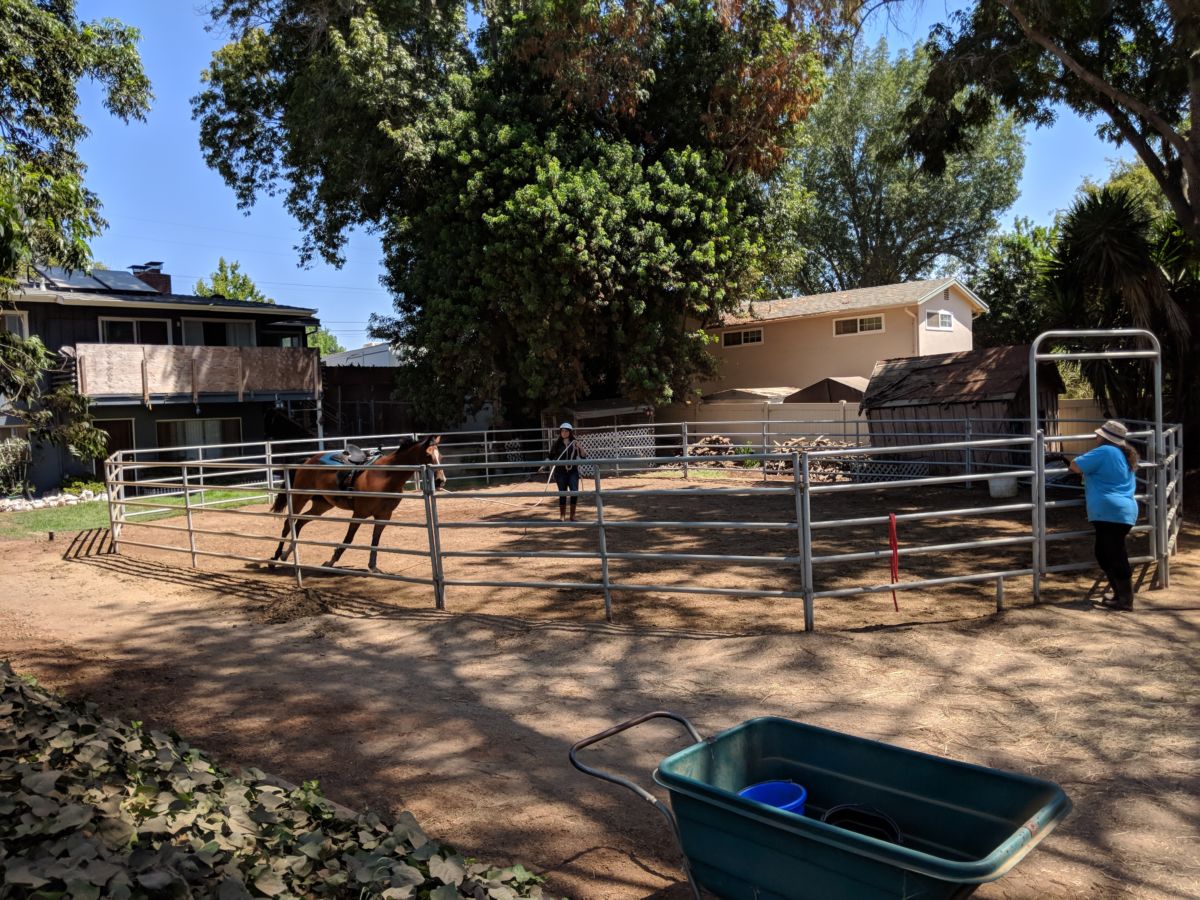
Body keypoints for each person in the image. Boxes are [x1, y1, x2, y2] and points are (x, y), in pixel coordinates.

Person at [1067, 419, 1140, 609]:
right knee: (1105, 553)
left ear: (1106, 438)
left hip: (1110, 511)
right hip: (1121, 510)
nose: (1095, 437)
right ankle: (1120, 595)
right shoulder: (1124, 454)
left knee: (1114, 554)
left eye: (1098, 435)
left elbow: (1075, 465)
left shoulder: (1105, 451)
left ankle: (1125, 599)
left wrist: (1083, 471)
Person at [548, 422, 586, 521]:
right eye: (562, 431)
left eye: (566, 431)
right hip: (560, 472)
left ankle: (572, 515)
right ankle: (562, 515)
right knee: (562, 492)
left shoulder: (574, 443)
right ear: (560, 432)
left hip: (572, 471)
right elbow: (550, 457)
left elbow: (584, 455)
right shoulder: (556, 444)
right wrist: (542, 466)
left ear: (570, 432)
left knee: (574, 492)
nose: (564, 433)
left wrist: (580, 446)